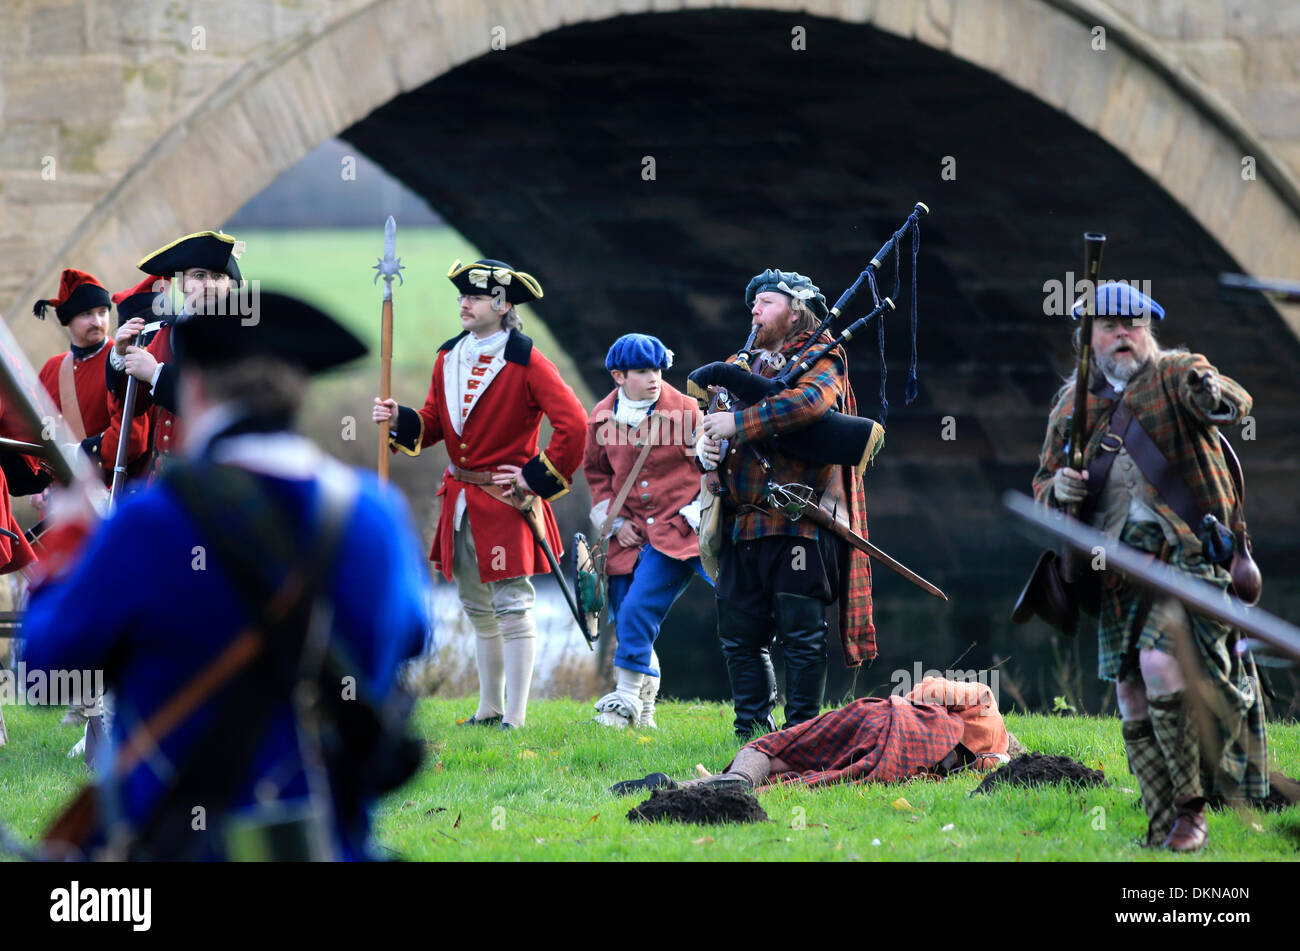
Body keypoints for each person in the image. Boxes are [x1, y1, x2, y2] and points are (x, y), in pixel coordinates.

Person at [22, 291, 432, 861]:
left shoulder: (150, 521)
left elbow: (44, 666)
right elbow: (413, 635)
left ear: (193, 389)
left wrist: (68, 542)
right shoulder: (374, 515)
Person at [1031, 281, 1269, 852]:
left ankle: (1192, 813)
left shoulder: (1177, 373)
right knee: (1132, 692)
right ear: (1087, 337)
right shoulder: (1072, 408)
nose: (1123, 335)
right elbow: (1042, 489)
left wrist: (1212, 389)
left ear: (1149, 331)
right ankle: (1161, 819)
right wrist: (1058, 489)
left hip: (1190, 560)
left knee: (1161, 663)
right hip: (1116, 573)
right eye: (1110, 326)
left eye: (1134, 324)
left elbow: (1230, 402)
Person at [373, 258, 586, 730]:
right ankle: (489, 710)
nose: (464, 304)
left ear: (503, 303)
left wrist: (534, 478)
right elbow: (432, 423)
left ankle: (516, 716)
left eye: (474, 296)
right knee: (475, 607)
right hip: (459, 501)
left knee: (512, 606)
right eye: (461, 297)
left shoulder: (528, 360)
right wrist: (399, 418)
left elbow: (574, 425)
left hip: (507, 503)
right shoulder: (447, 356)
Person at [697, 269, 881, 738]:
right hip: (743, 522)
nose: (754, 311)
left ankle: (802, 733)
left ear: (796, 310)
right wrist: (706, 445)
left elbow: (806, 406)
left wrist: (738, 425)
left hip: (799, 519)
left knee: (801, 634)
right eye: (753, 304)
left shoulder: (825, 356)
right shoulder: (741, 362)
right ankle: (752, 731)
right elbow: (712, 414)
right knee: (740, 635)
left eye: (766, 302)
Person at [582, 333, 711, 729]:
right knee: (629, 620)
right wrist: (615, 524)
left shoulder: (689, 411)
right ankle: (647, 713)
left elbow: (714, 472)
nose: (653, 378)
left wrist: (695, 514)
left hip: (681, 533)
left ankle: (622, 703)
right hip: (628, 537)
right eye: (641, 370)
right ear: (619, 376)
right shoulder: (602, 417)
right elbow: (597, 474)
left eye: (657, 368)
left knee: (640, 611)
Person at [610, 676, 1017, 796]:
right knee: (804, 776)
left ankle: (732, 778)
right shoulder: (985, 763)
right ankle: (687, 789)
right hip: (898, 761)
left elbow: (927, 689)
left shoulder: (985, 701)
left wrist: (908, 706)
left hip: (883, 721)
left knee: (776, 747)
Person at [108, 230, 245, 478]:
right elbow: (133, 407)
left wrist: (156, 375)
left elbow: (221, 405)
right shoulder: (167, 332)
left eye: (218, 276)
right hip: (165, 480)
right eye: (200, 276)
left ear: (229, 285)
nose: (209, 285)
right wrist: (121, 356)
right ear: (181, 283)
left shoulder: (241, 338)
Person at [29, 268, 150, 486]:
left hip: (108, 490)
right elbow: (38, 430)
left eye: (102, 312)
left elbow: (132, 441)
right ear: (68, 320)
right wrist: (41, 483)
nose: (97, 321)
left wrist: (83, 456)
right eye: (86, 314)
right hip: (61, 494)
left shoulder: (120, 359)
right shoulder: (52, 368)